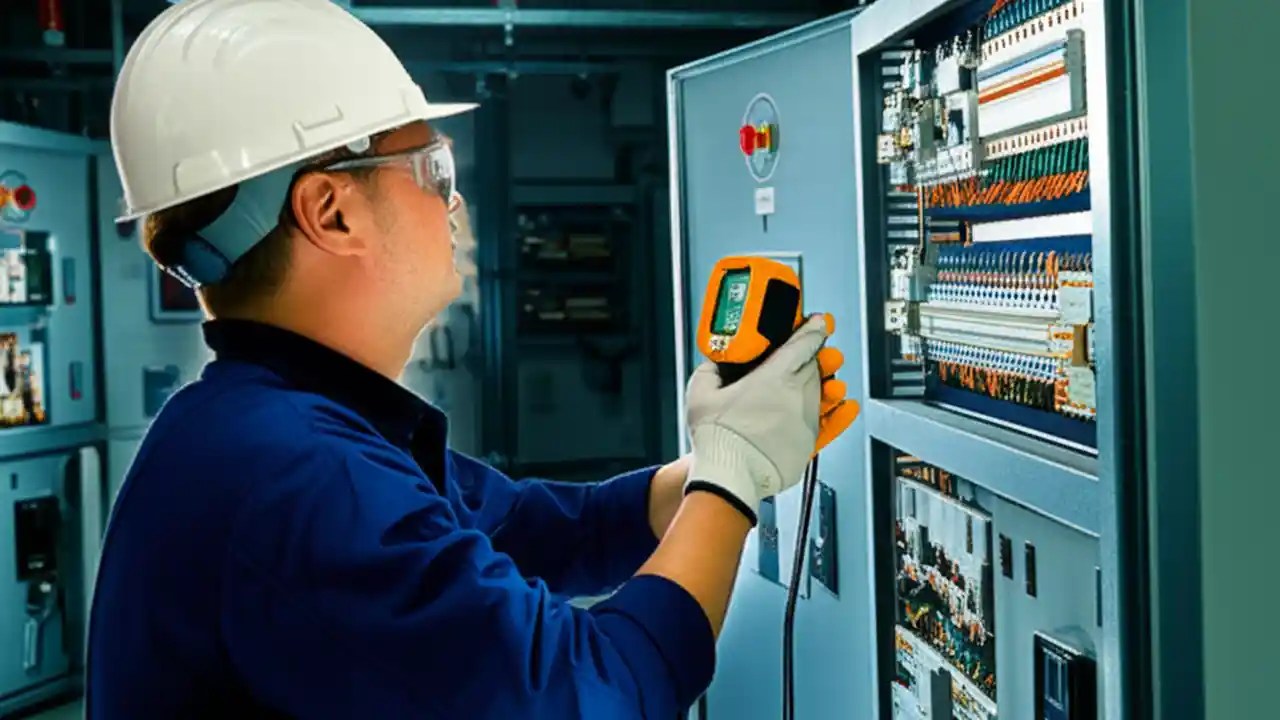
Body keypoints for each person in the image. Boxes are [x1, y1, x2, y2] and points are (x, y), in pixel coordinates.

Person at [87, 0, 854, 717]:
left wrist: (717, 456)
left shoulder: (272, 424)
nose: (454, 204)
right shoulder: (298, 479)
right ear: (332, 210)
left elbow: (542, 529)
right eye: (435, 171)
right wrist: (732, 478)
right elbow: (598, 692)